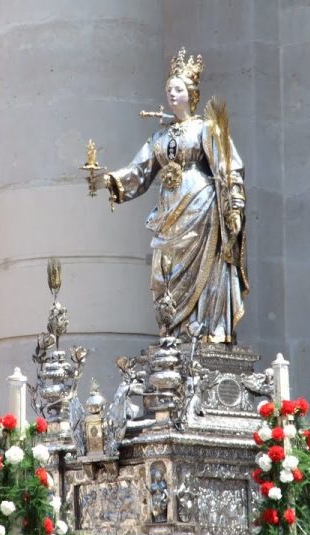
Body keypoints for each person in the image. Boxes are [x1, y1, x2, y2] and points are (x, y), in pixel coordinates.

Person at [90, 47, 249, 344]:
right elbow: (139, 170)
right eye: (169, 90)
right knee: (165, 272)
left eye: (178, 89)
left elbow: (228, 169)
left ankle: (205, 330)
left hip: (201, 210)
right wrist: (107, 181)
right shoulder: (159, 137)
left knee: (207, 268)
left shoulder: (206, 128)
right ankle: (173, 332)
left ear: (191, 93)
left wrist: (234, 208)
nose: (172, 95)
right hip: (169, 213)